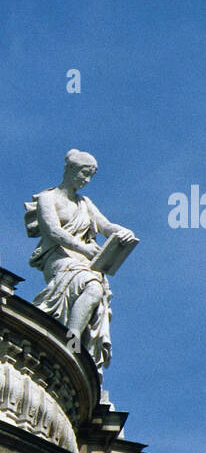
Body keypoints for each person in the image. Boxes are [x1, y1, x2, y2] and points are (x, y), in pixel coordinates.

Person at [28, 150, 137, 370]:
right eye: (83, 174)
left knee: (95, 293)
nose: (85, 181)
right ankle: (72, 340)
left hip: (86, 259)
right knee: (93, 288)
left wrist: (122, 231)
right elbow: (53, 231)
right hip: (59, 257)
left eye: (90, 177)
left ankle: (76, 340)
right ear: (70, 169)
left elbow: (105, 226)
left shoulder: (85, 203)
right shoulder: (48, 198)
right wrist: (84, 249)